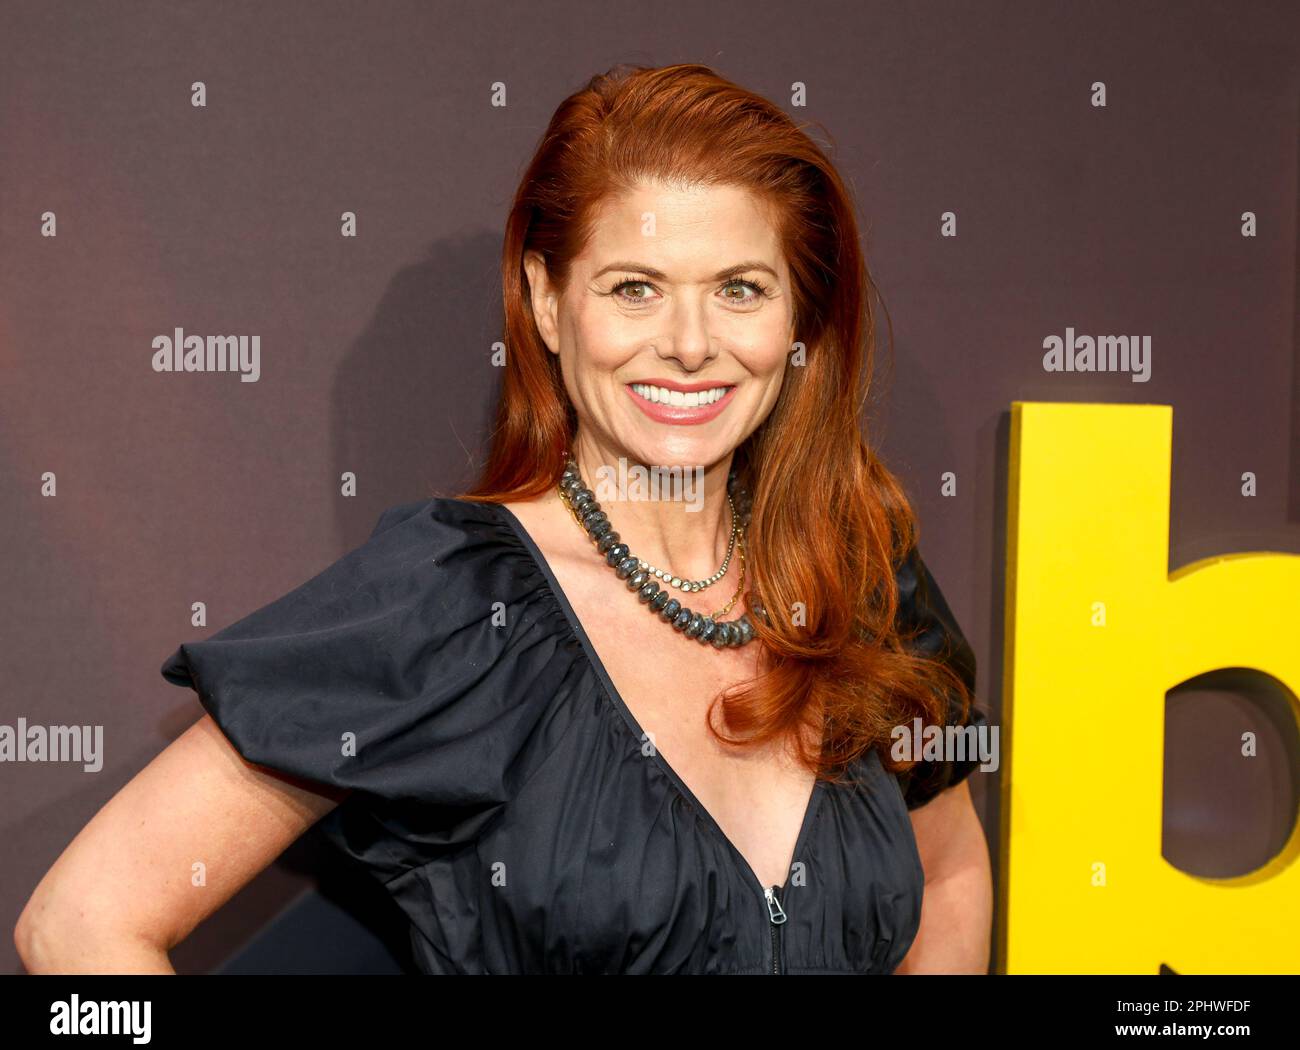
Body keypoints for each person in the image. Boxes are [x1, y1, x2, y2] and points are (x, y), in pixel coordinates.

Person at [16, 62, 992, 975]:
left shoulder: (857, 577)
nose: (691, 344)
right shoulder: (453, 609)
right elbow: (78, 923)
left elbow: (948, 871)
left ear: (797, 323)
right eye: (634, 288)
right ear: (548, 303)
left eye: (740, 289)